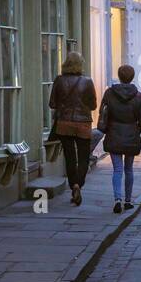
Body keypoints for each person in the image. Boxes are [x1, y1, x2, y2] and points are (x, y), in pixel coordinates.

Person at [48, 51, 97, 207]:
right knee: (83, 157)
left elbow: (52, 104)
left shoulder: (59, 80)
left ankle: (73, 185)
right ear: (80, 64)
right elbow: (93, 105)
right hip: (83, 123)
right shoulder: (87, 81)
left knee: (70, 157)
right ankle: (79, 185)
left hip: (64, 123)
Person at [99, 64, 141, 214]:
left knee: (117, 169)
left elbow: (104, 114)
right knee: (129, 169)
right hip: (131, 136)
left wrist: (107, 128)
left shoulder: (109, 94)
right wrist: (135, 130)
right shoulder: (139, 97)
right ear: (132, 77)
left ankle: (117, 199)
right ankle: (128, 200)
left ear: (119, 76)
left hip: (114, 134)